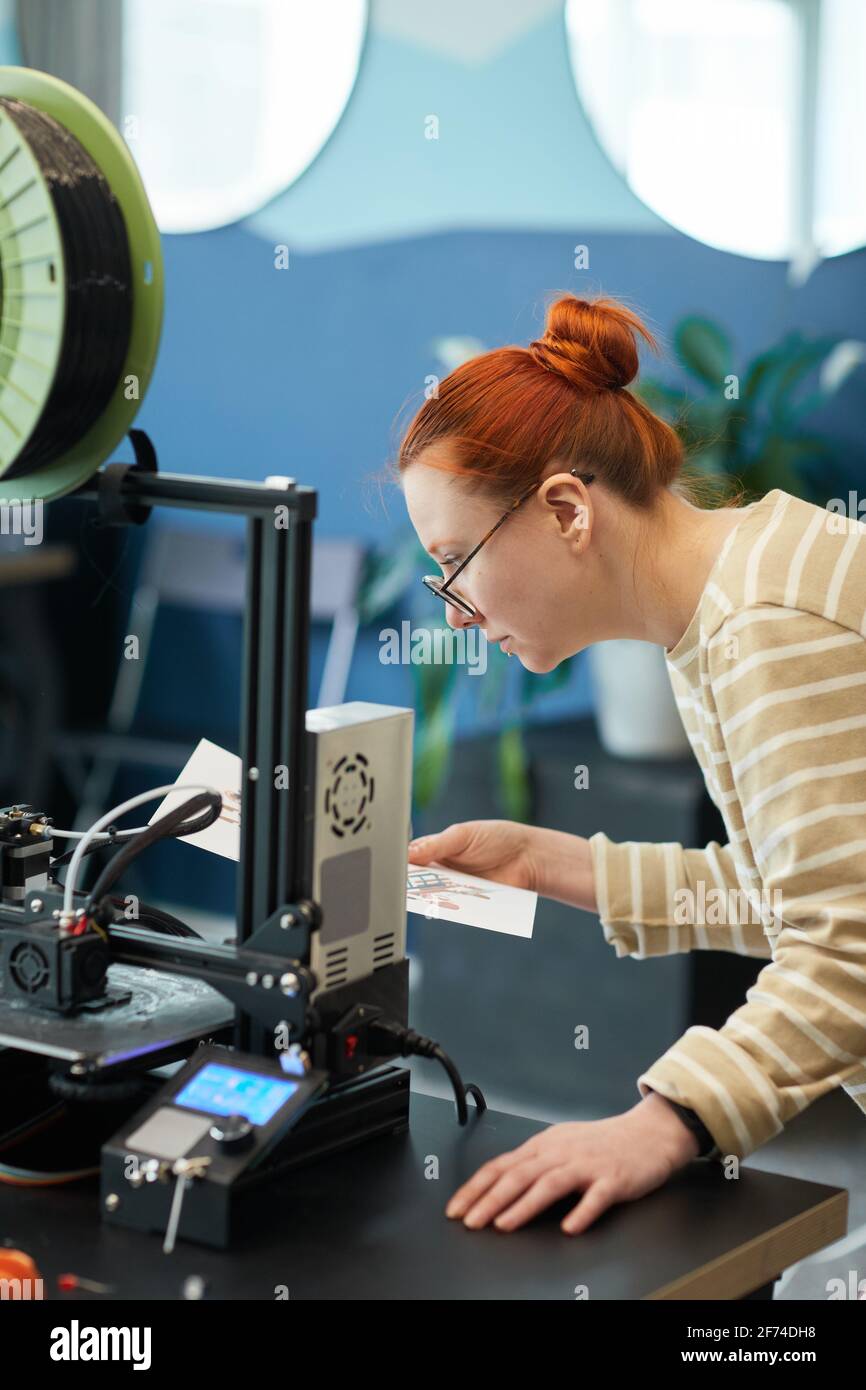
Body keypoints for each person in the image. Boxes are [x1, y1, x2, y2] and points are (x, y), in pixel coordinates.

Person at [395, 291, 866, 1237]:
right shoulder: (735, 598)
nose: (452, 609)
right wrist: (542, 865)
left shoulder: (765, 626)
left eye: (456, 561)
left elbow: (849, 944)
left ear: (567, 508)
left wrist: (668, 1121)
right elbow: (797, 890)